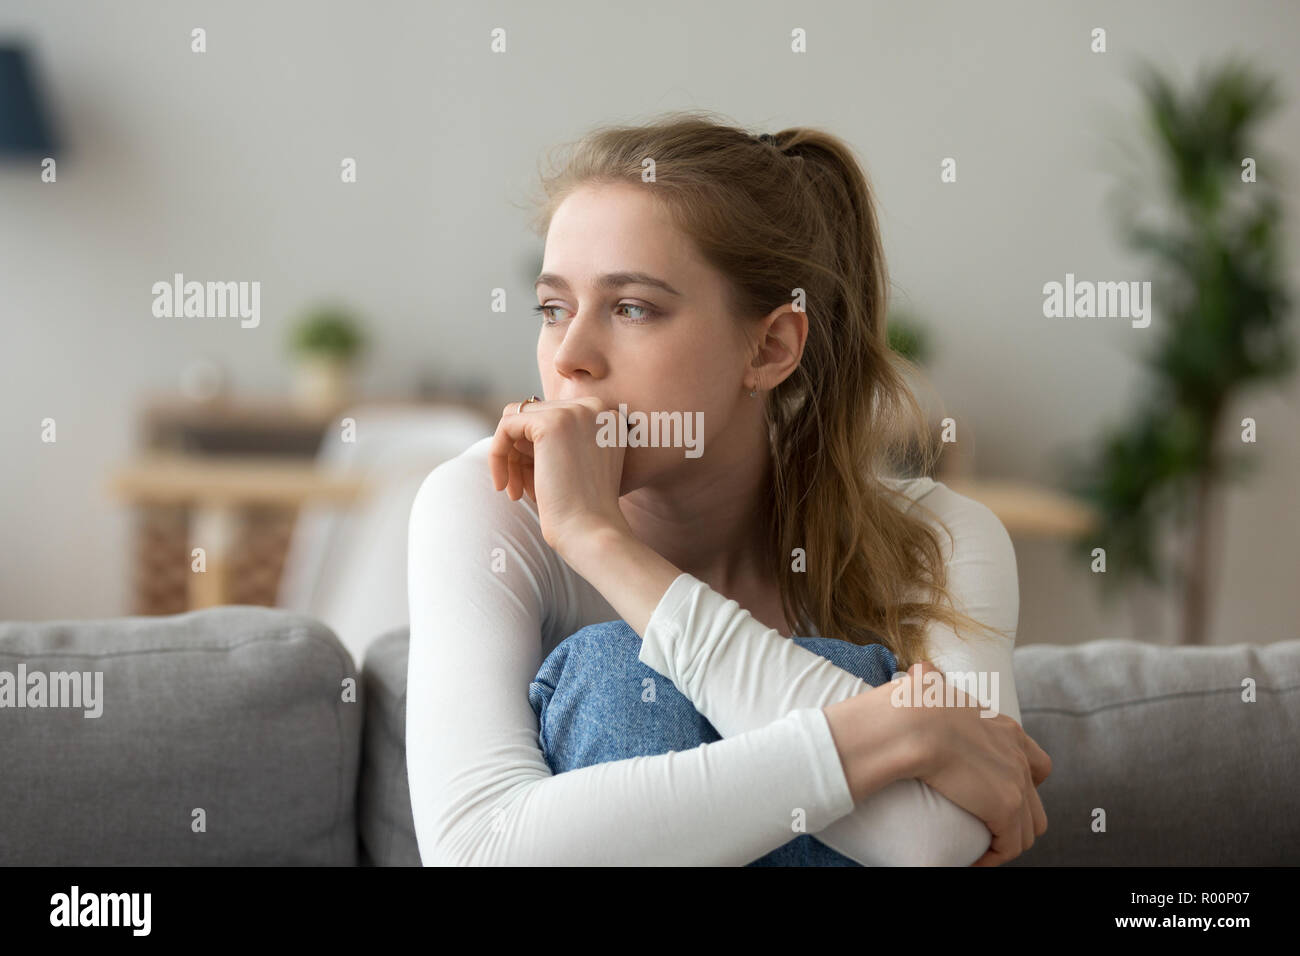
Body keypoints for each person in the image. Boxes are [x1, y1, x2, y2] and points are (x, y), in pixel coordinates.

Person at [406, 111, 1051, 866]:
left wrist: (609, 549)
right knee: (616, 674)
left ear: (771, 346)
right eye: (554, 309)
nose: (571, 356)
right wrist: (894, 727)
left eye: (631, 308)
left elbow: (934, 842)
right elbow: (477, 853)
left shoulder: (940, 539)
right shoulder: (487, 506)